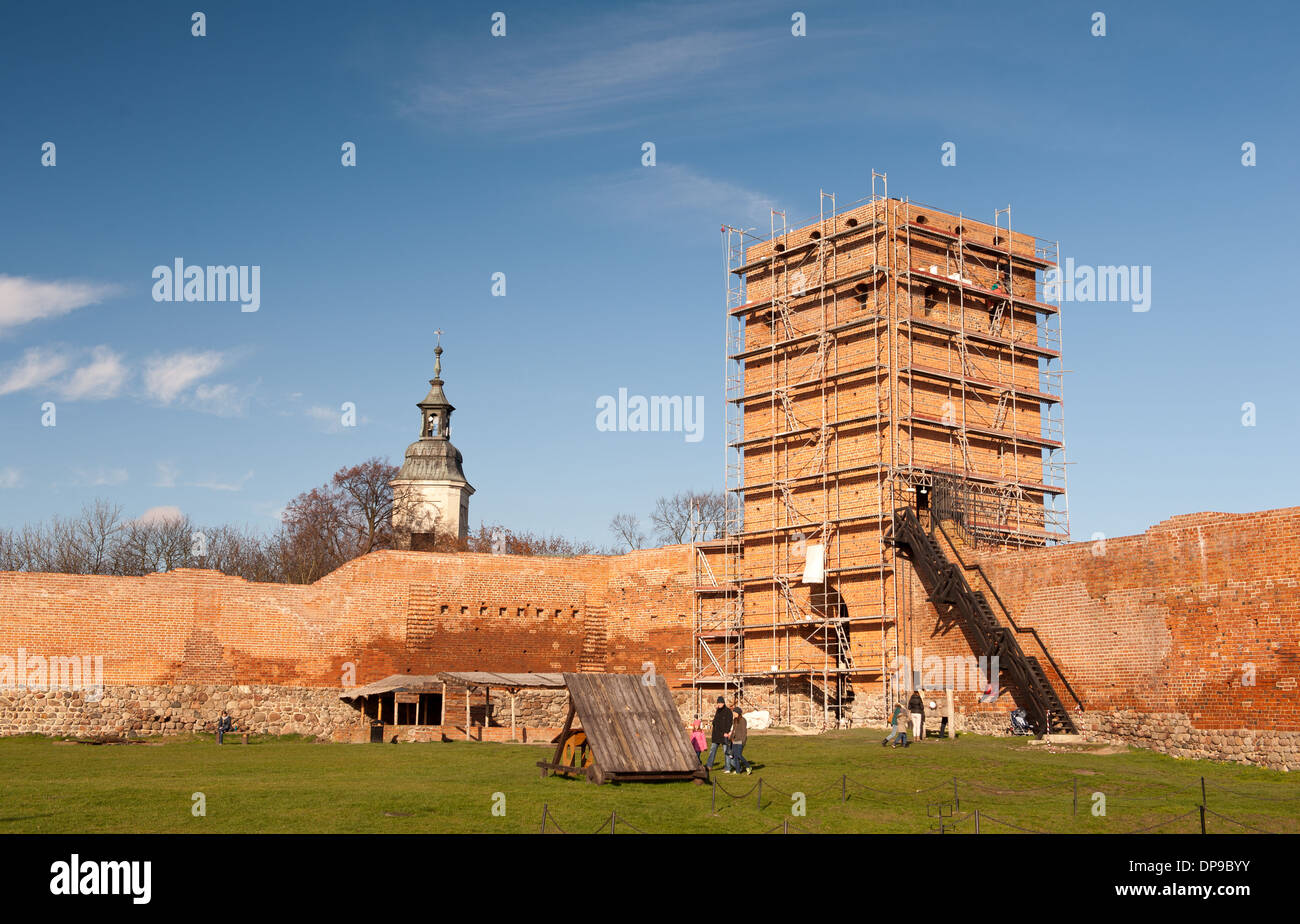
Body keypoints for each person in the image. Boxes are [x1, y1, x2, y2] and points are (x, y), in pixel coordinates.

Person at [702, 696, 732, 770]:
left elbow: (729, 722)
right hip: (716, 735)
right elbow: (715, 721)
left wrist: (727, 732)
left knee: (726, 751)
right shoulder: (717, 711)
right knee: (712, 750)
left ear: (723, 703)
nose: (719, 704)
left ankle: (727, 767)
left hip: (724, 734)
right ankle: (709, 765)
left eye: (720, 703)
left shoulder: (728, 711)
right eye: (718, 703)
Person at [726, 707, 752, 774]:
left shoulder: (743, 720)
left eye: (735, 712)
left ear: (738, 713)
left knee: (739, 755)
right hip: (734, 740)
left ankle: (748, 766)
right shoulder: (734, 720)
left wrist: (743, 741)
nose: (734, 714)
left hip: (740, 741)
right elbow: (733, 731)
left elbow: (744, 732)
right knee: (736, 756)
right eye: (733, 712)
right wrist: (730, 738)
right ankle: (737, 771)